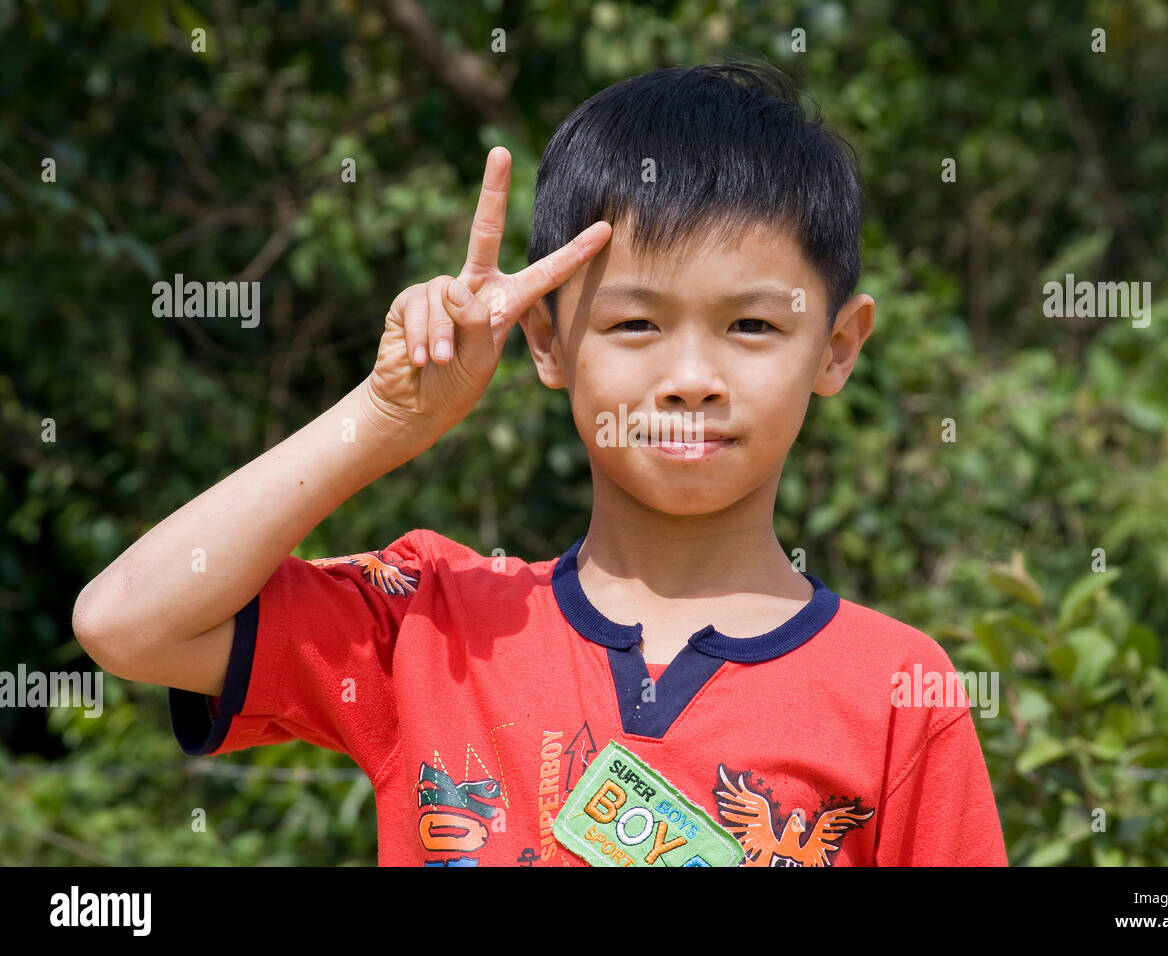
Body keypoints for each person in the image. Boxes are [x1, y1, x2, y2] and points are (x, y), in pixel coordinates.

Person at [73, 61, 1007, 867]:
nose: (690, 380)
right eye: (634, 323)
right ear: (547, 344)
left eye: (751, 326)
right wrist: (386, 416)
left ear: (838, 348)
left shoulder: (896, 690)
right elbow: (128, 621)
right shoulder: (431, 629)